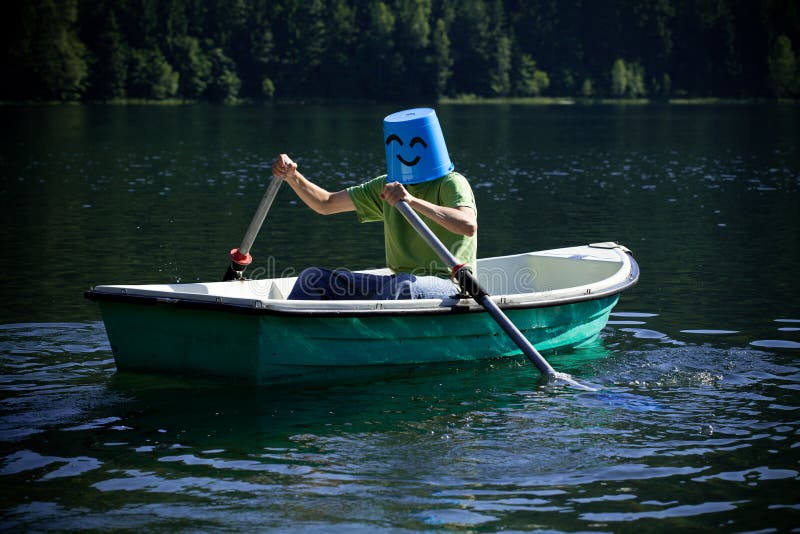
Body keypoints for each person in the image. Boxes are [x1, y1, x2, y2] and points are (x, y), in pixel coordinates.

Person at [272, 108, 477, 300]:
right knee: (312, 279)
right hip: (398, 283)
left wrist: (411, 201)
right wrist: (292, 176)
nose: (406, 151)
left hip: (452, 284)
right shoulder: (387, 186)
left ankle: (368, 333)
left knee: (402, 287)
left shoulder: (451, 183)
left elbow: (467, 225)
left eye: (414, 144)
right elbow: (326, 203)